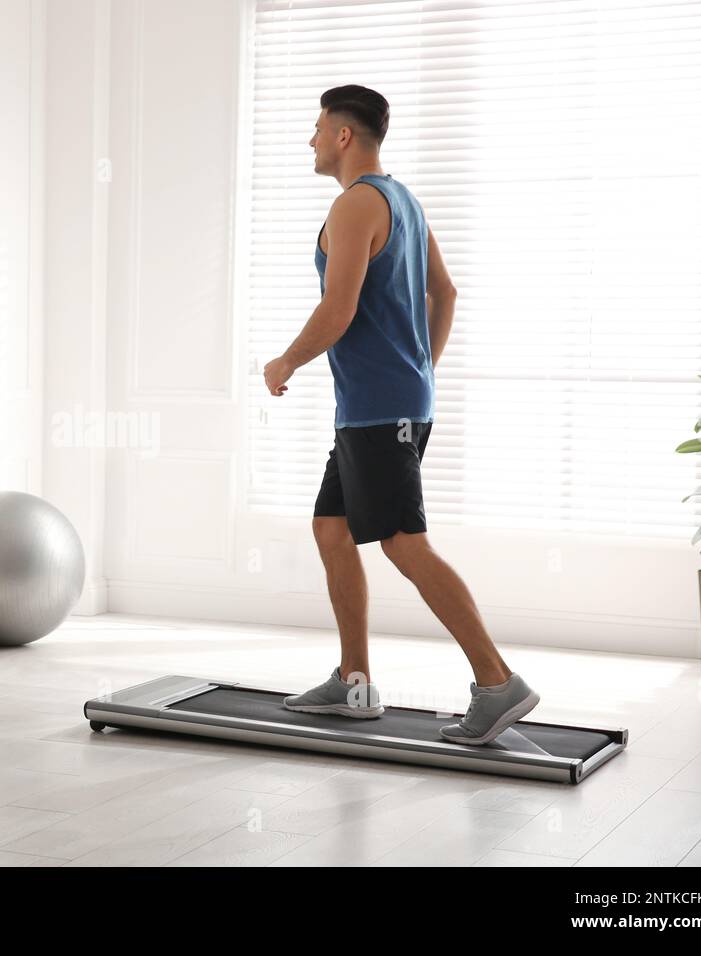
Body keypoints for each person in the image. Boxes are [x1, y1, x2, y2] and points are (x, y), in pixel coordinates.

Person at [261, 85, 539, 745]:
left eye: (317, 128)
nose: (311, 141)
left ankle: (497, 681)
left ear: (343, 136)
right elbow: (445, 290)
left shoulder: (356, 204)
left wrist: (284, 363)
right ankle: (355, 683)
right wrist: (423, 368)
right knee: (332, 527)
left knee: (402, 543)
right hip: (383, 405)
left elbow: (340, 310)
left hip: (381, 409)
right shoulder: (403, 199)